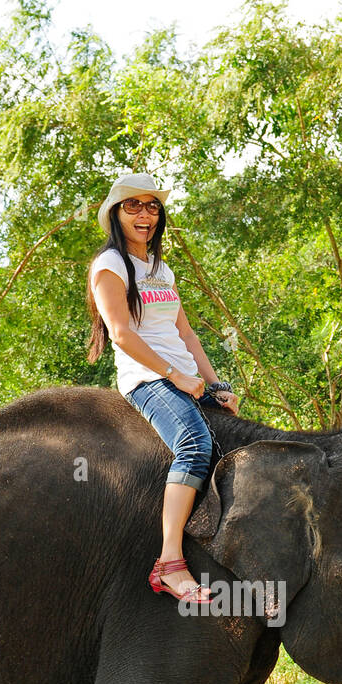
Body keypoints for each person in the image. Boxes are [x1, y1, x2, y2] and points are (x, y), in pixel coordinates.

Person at [87, 171, 239, 603]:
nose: (145, 214)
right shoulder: (110, 265)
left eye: (152, 206)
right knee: (194, 445)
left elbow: (186, 334)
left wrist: (214, 384)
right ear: (115, 214)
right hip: (148, 379)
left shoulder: (160, 268)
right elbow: (120, 332)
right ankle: (169, 563)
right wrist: (175, 377)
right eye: (133, 205)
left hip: (186, 378)